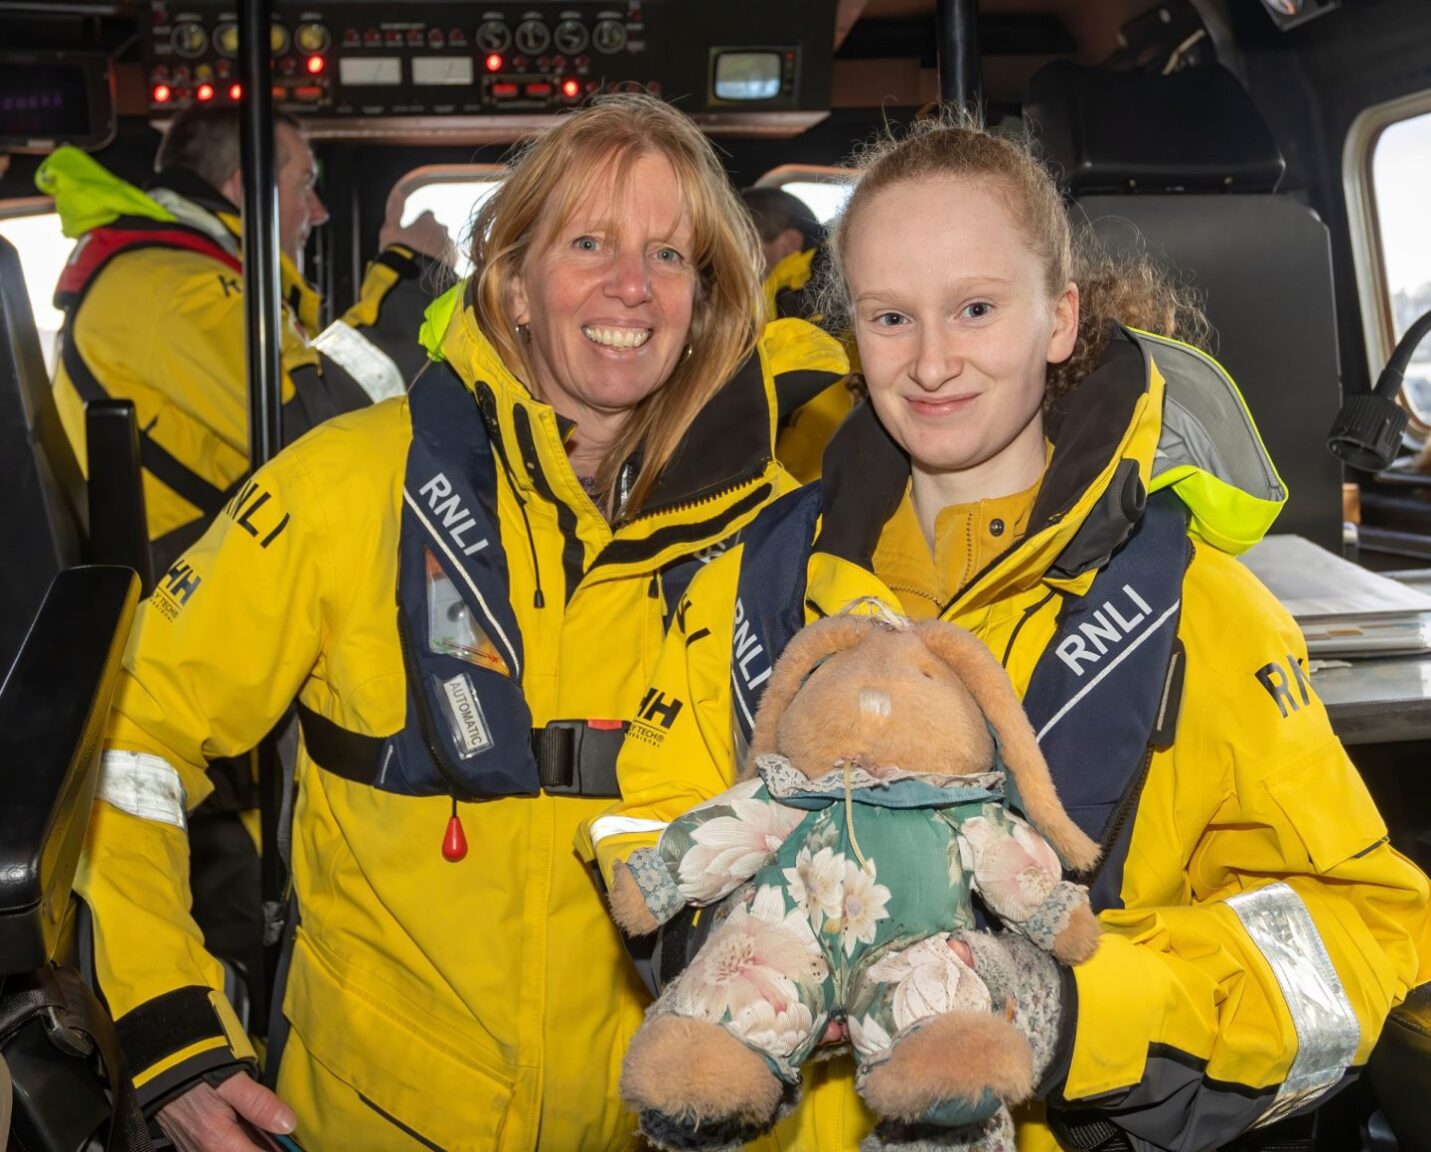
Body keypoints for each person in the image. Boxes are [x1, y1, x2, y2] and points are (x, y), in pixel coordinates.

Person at [587, 115, 1430, 1151]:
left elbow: (1367, 931)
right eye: (892, 318)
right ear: (854, 336)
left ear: (1062, 318)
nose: (933, 361)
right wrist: (746, 949)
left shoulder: (1200, 616)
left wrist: (1074, 1005)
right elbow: (644, 829)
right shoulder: (748, 591)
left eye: (976, 308)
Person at [75, 93, 847, 1150]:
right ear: (515, 284)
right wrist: (170, 1033)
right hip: (379, 1119)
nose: (633, 284)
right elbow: (128, 733)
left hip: (671, 1119)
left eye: (671, 256)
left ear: (704, 301)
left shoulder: (775, 534)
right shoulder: (348, 483)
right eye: (590, 241)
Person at [39, 106, 453, 572]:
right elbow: (326, 429)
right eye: (304, 183)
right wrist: (408, 269)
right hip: (187, 605)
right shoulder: (175, 288)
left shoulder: (182, 279)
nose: (318, 211)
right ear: (246, 190)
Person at [741, 185, 854, 484]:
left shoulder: (800, 300)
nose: (729, 255)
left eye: (741, 241)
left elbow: (817, 419)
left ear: (788, 244)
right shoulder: (783, 297)